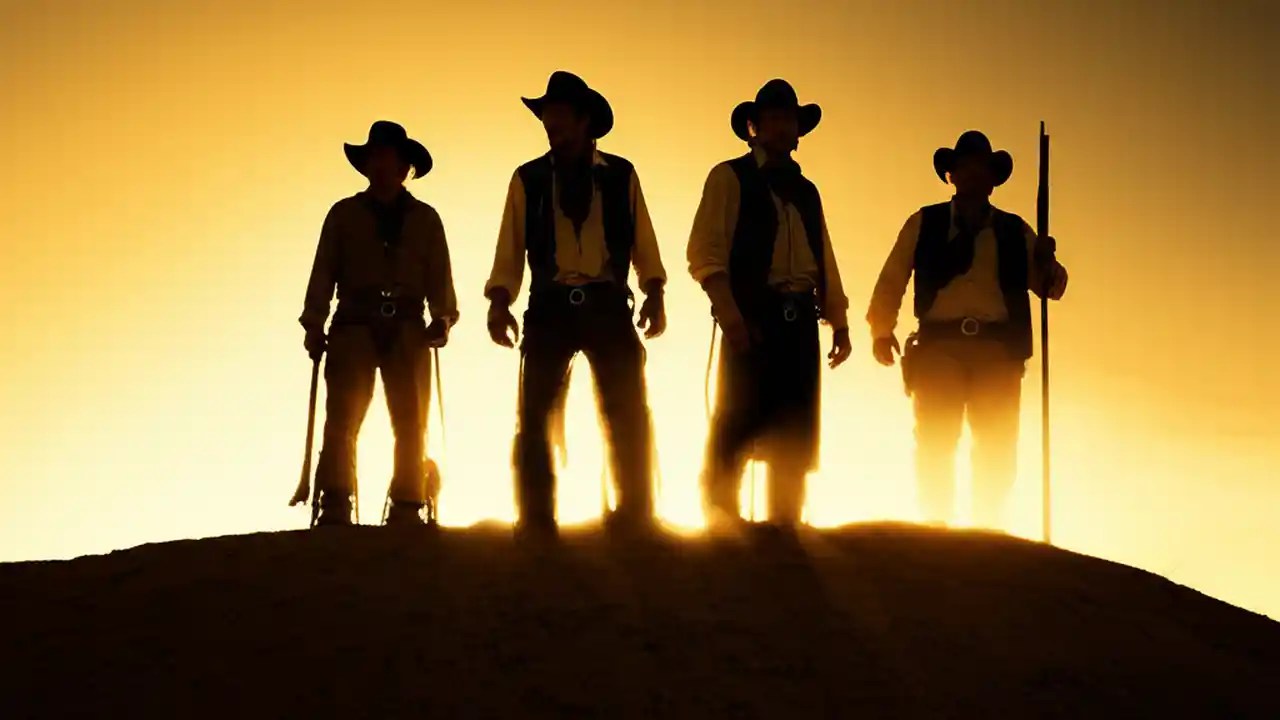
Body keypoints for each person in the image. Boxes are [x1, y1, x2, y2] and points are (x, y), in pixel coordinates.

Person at [485, 71, 668, 540]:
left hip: (608, 301)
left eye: (560, 113)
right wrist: (500, 300)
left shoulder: (621, 175)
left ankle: (635, 514)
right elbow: (511, 245)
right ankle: (536, 520)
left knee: (626, 409)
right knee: (535, 414)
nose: (550, 122)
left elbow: (643, 236)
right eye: (547, 114)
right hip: (549, 304)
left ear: (585, 120)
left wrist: (654, 290)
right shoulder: (527, 178)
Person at [866, 130, 1068, 529]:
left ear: (993, 179)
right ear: (951, 175)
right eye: (965, 167)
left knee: (995, 446)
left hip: (998, 351)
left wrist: (1048, 260)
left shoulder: (1015, 231)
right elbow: (893, 277)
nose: (973, 174)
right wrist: (880, 328)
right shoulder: (925, 222)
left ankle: (987, 532)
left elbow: (1051, 288)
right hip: (939, 346)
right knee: (936, 442)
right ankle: (936, 529)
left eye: (981, 168)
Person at [688, 79, 852, 532]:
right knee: (737, 420)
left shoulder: (807, 191)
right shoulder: (729, 176)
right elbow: (706, 250)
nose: (783, 127)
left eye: (789, 120)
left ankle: (785, 527)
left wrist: (838, 321)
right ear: (753, 127)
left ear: (798, 131)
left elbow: (824, 255)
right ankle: (720, 523)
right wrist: (730, 313)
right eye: (773, 118)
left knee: (794, 430)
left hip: (800, 321)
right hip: (752, 315)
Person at [299, 120, 459, 527]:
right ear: (368, 164)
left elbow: (440, 276)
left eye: (391, 157)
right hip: (353, 320)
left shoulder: (426, 219)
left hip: (408, 323)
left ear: (407, 167)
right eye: (377, 156)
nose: (384, 164)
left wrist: (442, 318)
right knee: (343, 416)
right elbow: (323, 271)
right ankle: (335, 502)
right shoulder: (343, 214)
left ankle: (408, 503)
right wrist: (314, 322)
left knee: (411, 419)